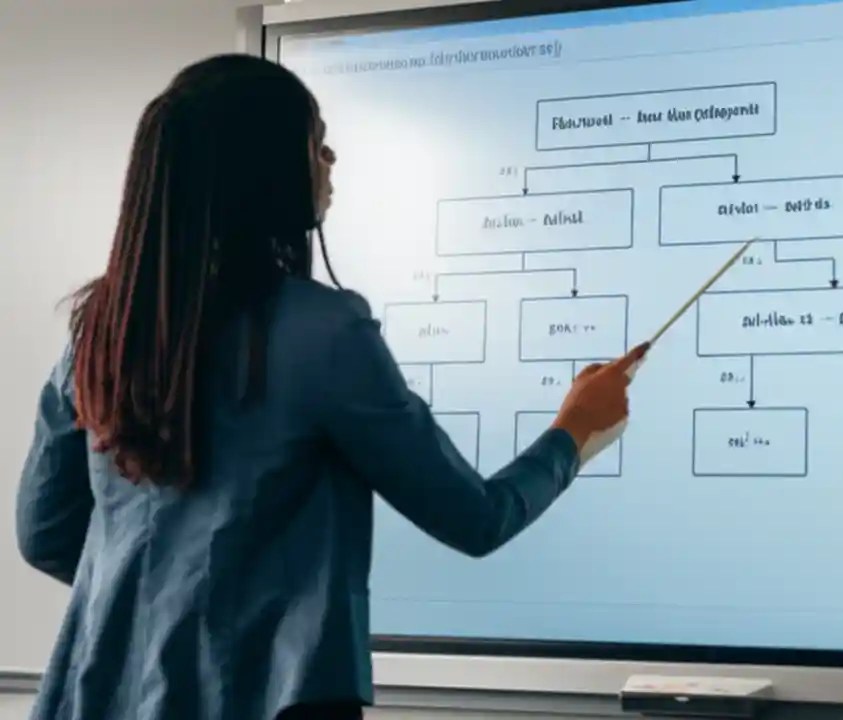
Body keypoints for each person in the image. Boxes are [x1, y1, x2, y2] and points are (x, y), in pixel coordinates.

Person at [14, 54, 646, 720]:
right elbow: (478, 518)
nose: (331, 156)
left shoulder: (99, 334)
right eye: (315, 141)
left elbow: (46, 533)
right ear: (263, 171)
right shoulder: (321, 331)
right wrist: (575, 431)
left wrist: (149, 605)